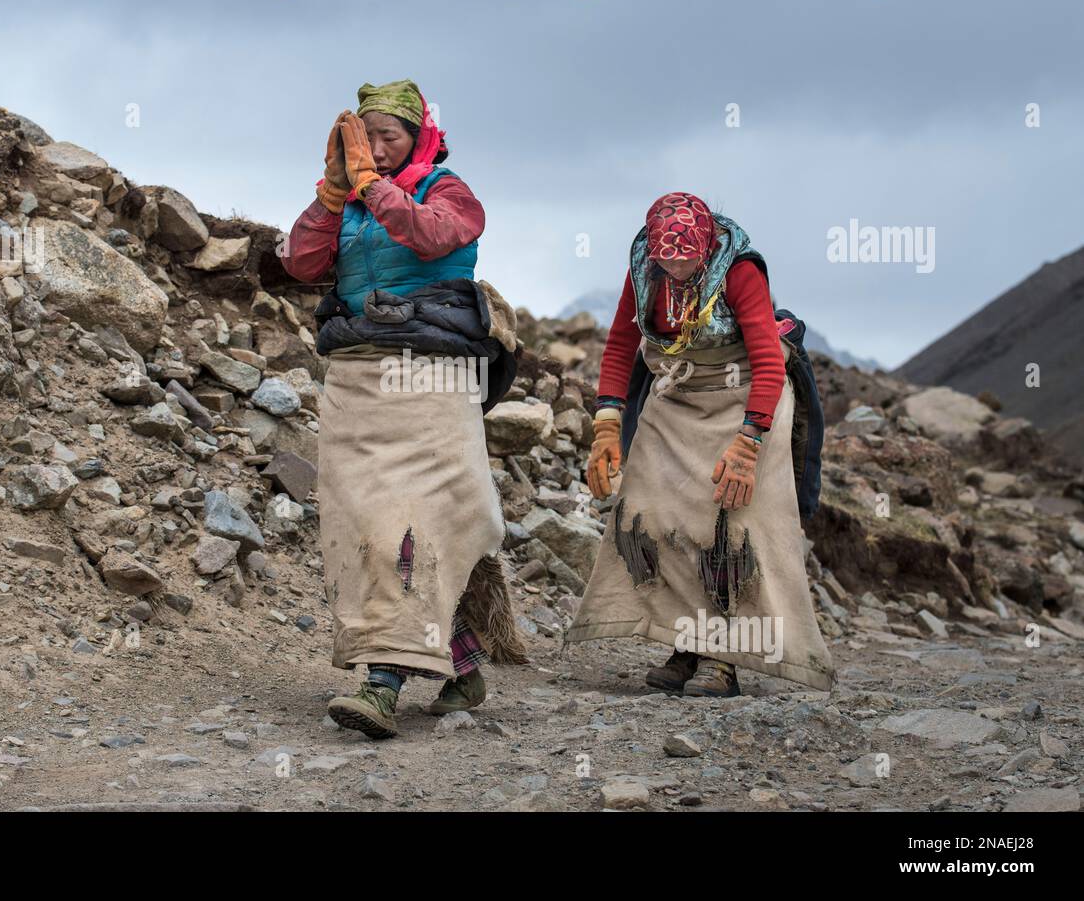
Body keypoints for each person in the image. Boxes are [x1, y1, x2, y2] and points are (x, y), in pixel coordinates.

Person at [282, 78, 526, 738]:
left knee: (414, 525)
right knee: (364, 523)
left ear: (419, 138)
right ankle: (461, 663)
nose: (376, 149)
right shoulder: (349, 204)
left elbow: (429, 236)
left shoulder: (448, 192)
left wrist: (371, 185)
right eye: (365, 139)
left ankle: (382, 683)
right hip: (357, 379)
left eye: (388, 137)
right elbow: (300, 262)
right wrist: (332, 193)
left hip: (431, 381)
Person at [566, 192, 834, 696]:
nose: (676, 268)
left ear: (706, 248)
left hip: (747, 399)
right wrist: (606, 425)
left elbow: (768, 360)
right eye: (666, 260)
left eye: (686, 259)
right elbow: (621, 343)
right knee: (656, 513)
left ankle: (722, 659)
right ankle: (685, 641)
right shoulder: (645, 268)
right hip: (678, 393)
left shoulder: (740, 271)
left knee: (733, 527)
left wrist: (748, 445)